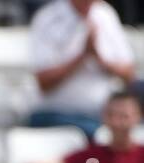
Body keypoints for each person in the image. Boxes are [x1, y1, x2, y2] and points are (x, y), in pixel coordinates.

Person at [29, 0, 137, 139]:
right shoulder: (47, 18)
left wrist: (98, 58)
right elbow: (44, 82)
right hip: (57, 116)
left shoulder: (105, 13)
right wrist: (82, 56)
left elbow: (128, 74)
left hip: (103, 118)